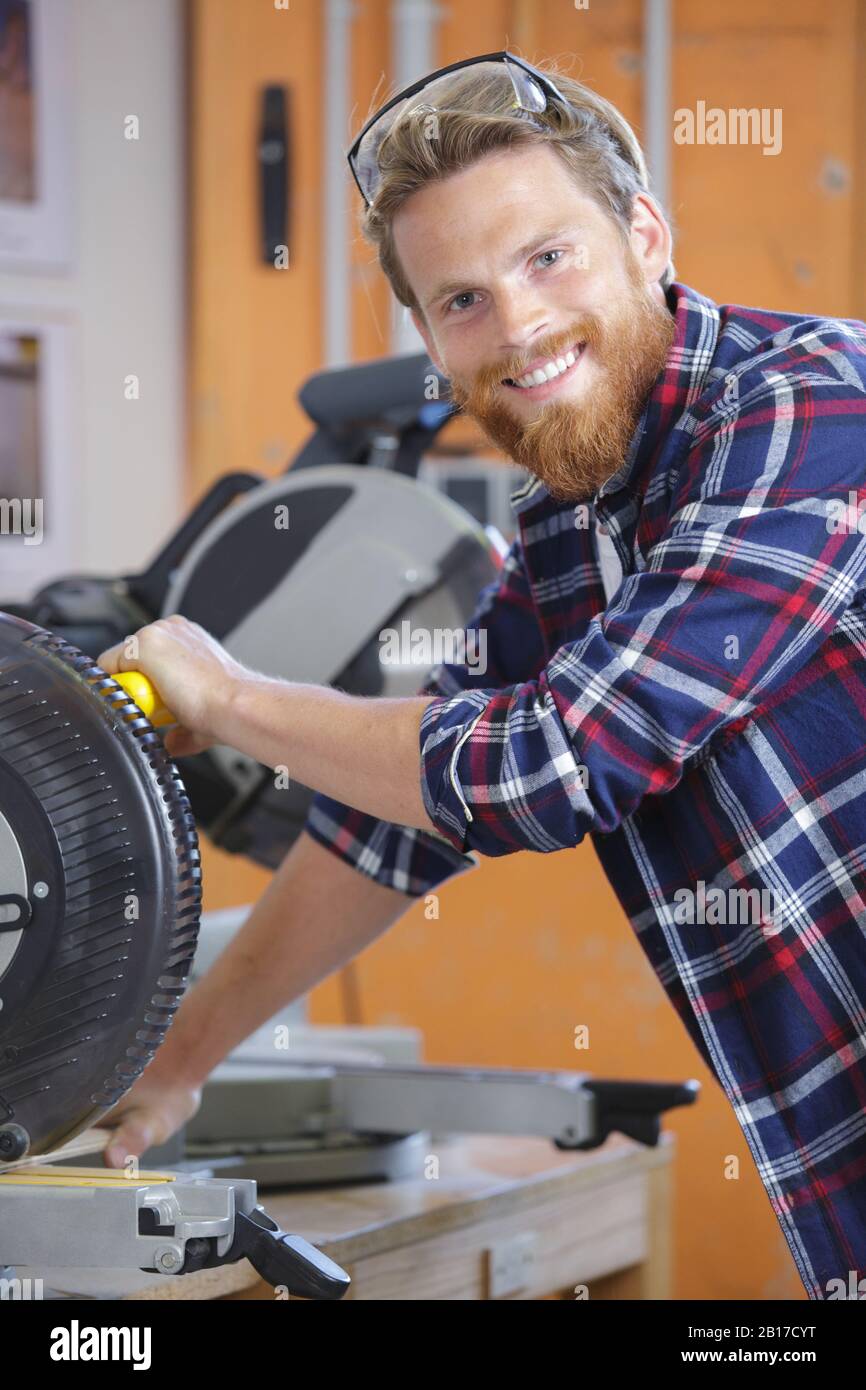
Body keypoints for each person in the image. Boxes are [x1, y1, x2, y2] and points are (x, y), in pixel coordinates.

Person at [98, 52, 866, 1301]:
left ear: (644, 235)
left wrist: (226, 695)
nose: (514, 327)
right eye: (459, 299)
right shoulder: (573, 520)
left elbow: (552, 764)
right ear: (425, 338)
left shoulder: (805, 411)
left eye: (545, 258)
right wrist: (178, 1057)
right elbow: (388, 831)